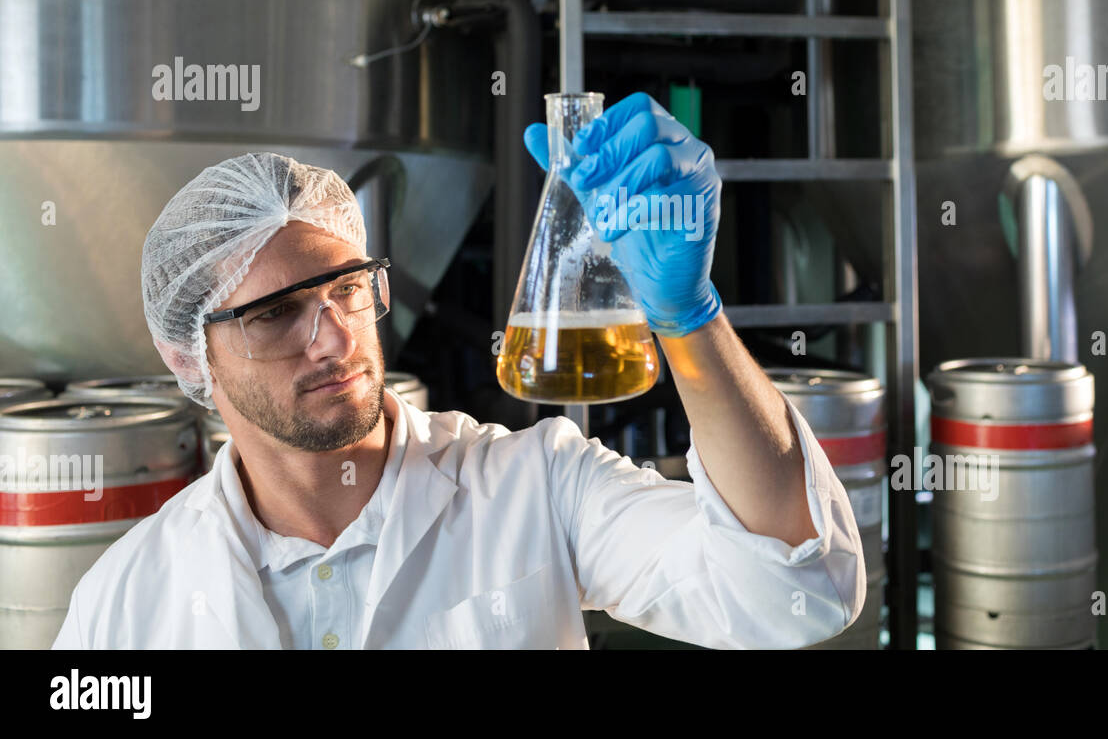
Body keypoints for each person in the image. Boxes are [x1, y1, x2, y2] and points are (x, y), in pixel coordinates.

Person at [52, 92, 866, 649]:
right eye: (274, 315)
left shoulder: (535, 486)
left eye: (346, 290)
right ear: (189, 355)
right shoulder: (125, 602)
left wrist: (690, 320)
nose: (335, 340)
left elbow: (793, 591)